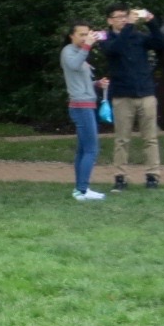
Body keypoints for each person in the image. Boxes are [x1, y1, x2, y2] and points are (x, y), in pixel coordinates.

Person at [98, 5, 164, 191]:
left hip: (145, 93)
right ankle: (120, 177)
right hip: (122, 95)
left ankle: (153, 176)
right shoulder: (105, 37)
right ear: (109, 20)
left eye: (124, 16)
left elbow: (160, 43)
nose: (122, 19)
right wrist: (129, 27)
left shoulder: (138, 36)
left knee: (150, 138)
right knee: (122, 139)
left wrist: (151, 22)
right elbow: (115, 50)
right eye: (118, 17)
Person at [62, 24, 110, 201]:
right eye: (81, 35)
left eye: (87, 34)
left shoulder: (78, 52)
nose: (85, 37)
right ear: (71, 36)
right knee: (91, 149)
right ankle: (82, 190)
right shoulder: (68, 52)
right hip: (80, 107)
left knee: (83, 150)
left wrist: (97, 84)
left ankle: (80, 189)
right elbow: (74, 66)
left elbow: (81, 83)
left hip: (86, 104)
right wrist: (88, 45)